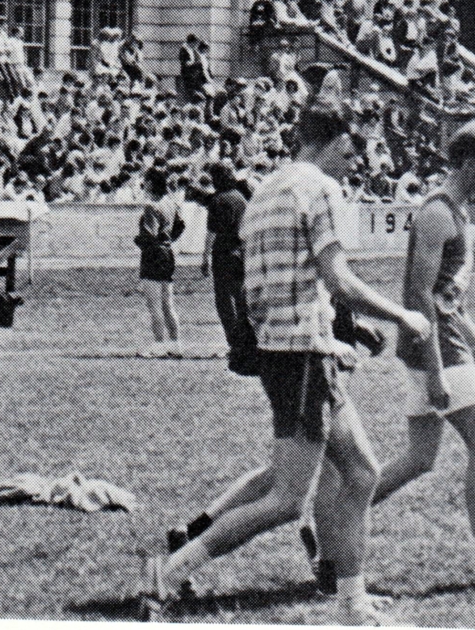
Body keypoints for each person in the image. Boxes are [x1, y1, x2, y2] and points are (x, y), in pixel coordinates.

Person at [143, 104, 431, 628]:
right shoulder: (321, 189)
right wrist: (400, 315)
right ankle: (169, 571)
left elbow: (260, 286)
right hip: (303, 357)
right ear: (331, 142)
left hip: (289, 351)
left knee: (362, 472)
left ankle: (352, 603)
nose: (354, 165)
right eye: (351, 153)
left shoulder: (266, 191)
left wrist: (320, 339)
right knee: (287, 499)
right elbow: (338, 279)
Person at [361, 121, 475, 594]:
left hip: (439, 345)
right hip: (436, 349)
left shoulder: (457, 213)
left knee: (420, 458)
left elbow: (447, 299)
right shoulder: (437, 214)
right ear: (470, 165)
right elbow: (419, 296)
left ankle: (330, 522)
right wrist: (438, 369)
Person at [193, 160, 253, 369]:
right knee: (241, 299)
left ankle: (234, 343)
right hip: (242, 252)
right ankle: (247, 342)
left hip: (224, 252)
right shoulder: (241, 198)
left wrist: (204, 257)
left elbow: (212, 232)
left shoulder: (218, 201)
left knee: (224, 301)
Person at [134, 167, 181, 358]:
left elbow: (149, 234)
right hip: (168, 253)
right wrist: (168, 239)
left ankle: (159, 344)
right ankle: (175, 344)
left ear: (151, 183)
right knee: (168, 303)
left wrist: (138, 241)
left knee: (154, 304)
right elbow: (181, 225)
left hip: (153, 254)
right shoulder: (171, 203)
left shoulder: (151, 206)